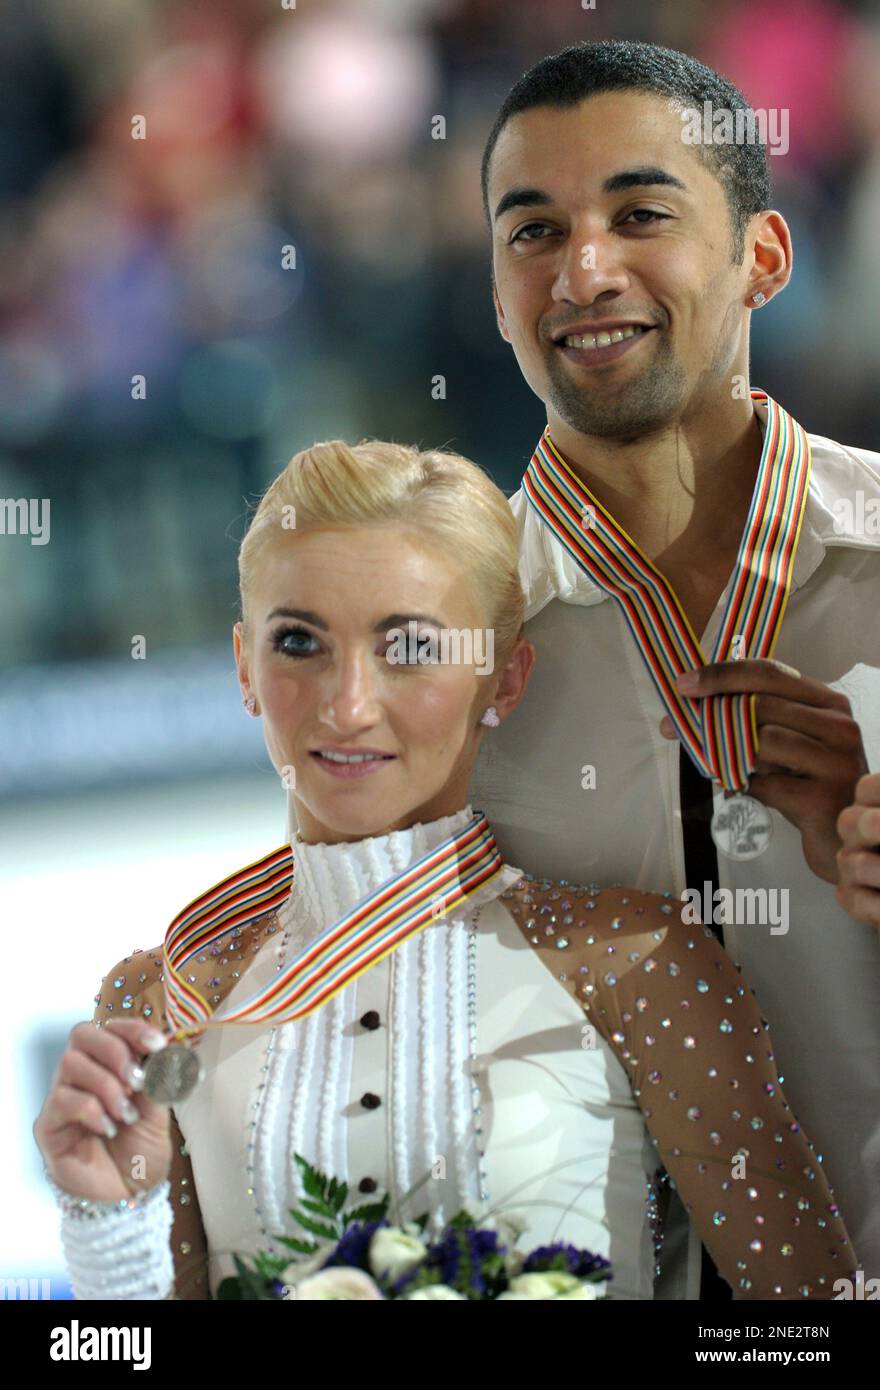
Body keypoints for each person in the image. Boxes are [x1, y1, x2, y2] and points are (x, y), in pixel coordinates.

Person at [34, 439, 856, 1301]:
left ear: (504, 680)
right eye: (300, 642)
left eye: (411, 647)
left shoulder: (637, 962)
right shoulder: (161, 1005)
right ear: (245, 667)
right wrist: (106, 1228)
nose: (347, 706)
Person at [468, 38, 880, 1300]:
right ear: (495, 297)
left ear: (763, 257)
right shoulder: (441, 648)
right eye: (532, 233)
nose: (583, 269)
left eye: (640, 214)